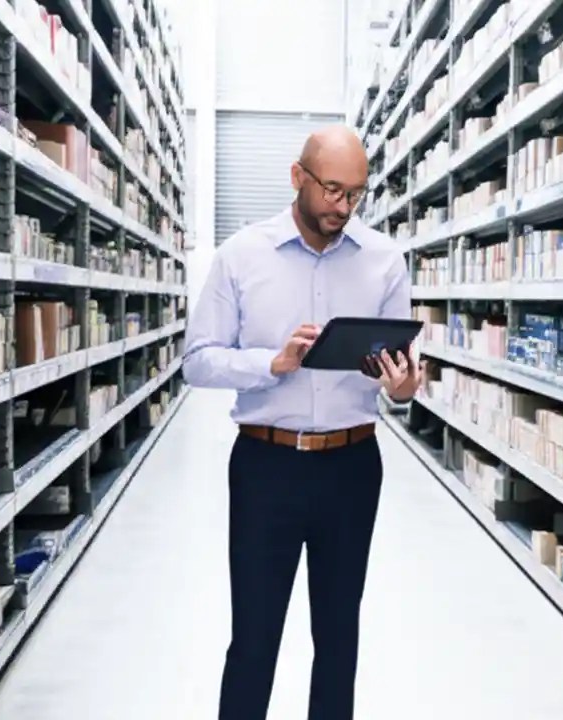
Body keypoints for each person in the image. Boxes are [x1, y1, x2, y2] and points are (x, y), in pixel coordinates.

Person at [183, 124, 421, 720]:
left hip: (352, 465)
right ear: (298, 177)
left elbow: (398, 366)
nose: (343, 207)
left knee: (339, 637)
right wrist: (273, 363)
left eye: (356, 195)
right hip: (267, 466)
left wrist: (403, 387)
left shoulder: (384, 261)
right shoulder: (241, 255)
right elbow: (197, 361)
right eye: (332, 191)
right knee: (255, 636)